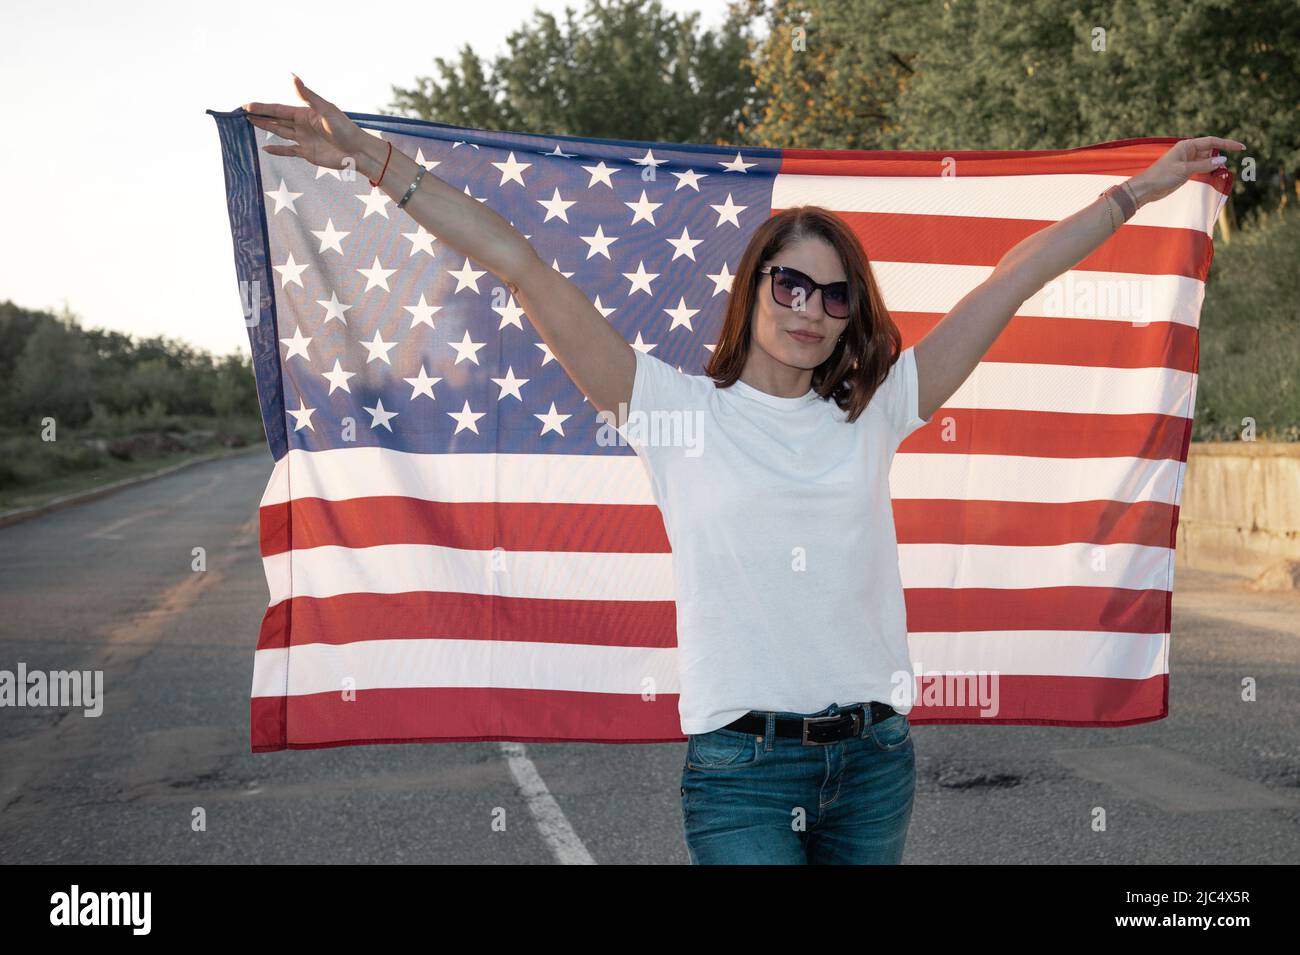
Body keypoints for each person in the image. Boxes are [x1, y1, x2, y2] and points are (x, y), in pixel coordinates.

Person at [243, 75, 1243, 864]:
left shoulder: (877, 408)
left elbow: (1015, 275)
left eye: (834, 295)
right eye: (790, 281)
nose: (808, 307)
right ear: (754, 287)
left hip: (873, 761)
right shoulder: (671, 410)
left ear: (853, 316)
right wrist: (375, 163)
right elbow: (522, 266)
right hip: (740, 773)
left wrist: (1143, 188)